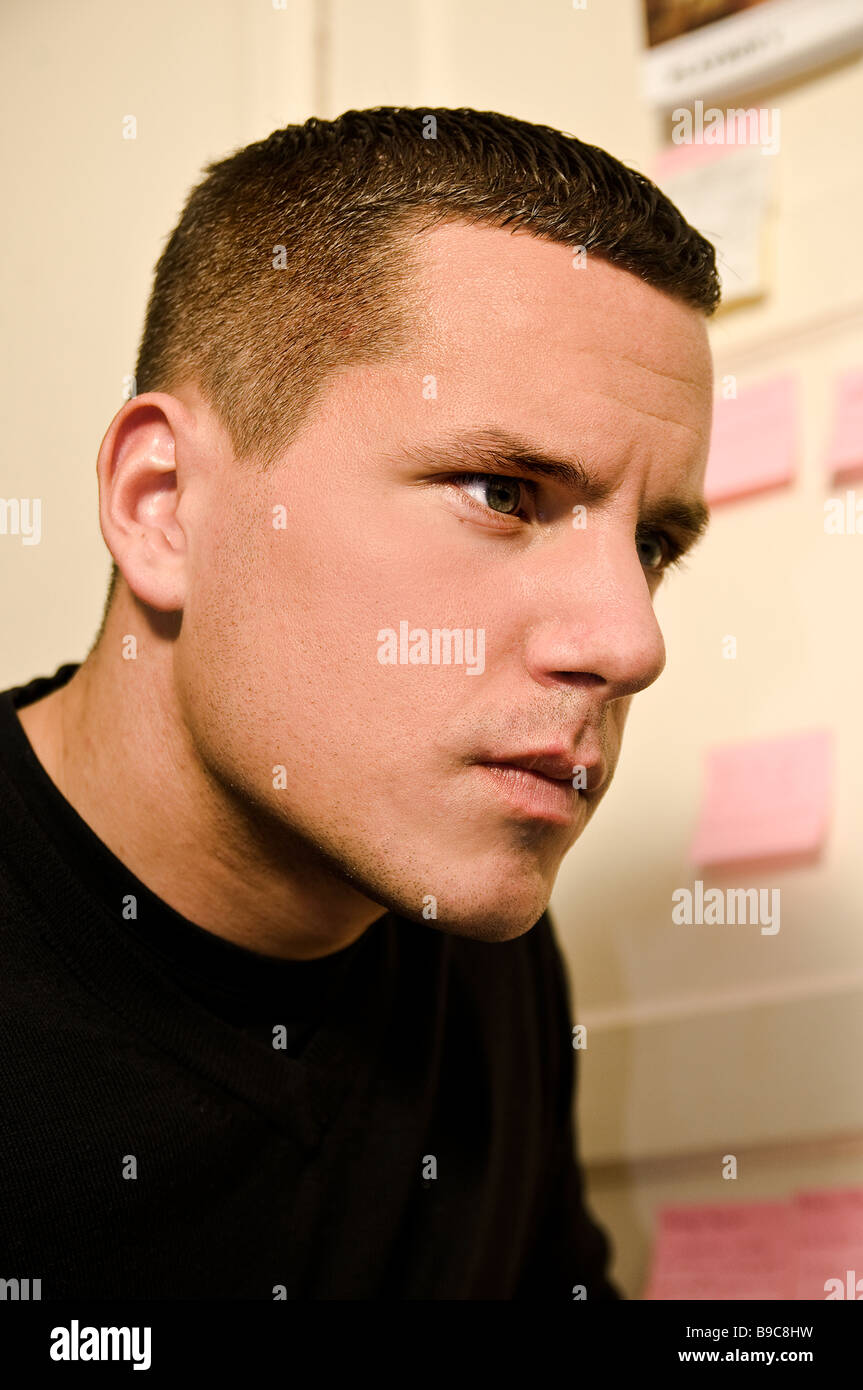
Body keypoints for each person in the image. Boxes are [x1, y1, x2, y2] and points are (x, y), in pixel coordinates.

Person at [0, 106, 717, 1299]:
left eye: (650, 542)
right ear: (164, 503)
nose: (629, 642)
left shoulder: (473, 925)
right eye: (501, 490)